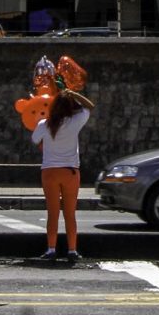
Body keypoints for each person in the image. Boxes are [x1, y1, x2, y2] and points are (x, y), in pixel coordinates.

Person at [30, 89, 95, 262]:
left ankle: (51, 249)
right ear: (70, 107)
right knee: (70, 213)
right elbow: (90, 106)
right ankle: (72, 250)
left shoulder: (45, 124)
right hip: (70, 171)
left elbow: (35, 140)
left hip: (49, 171)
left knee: (52, 213)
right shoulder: (75, 121)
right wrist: (73, 93)